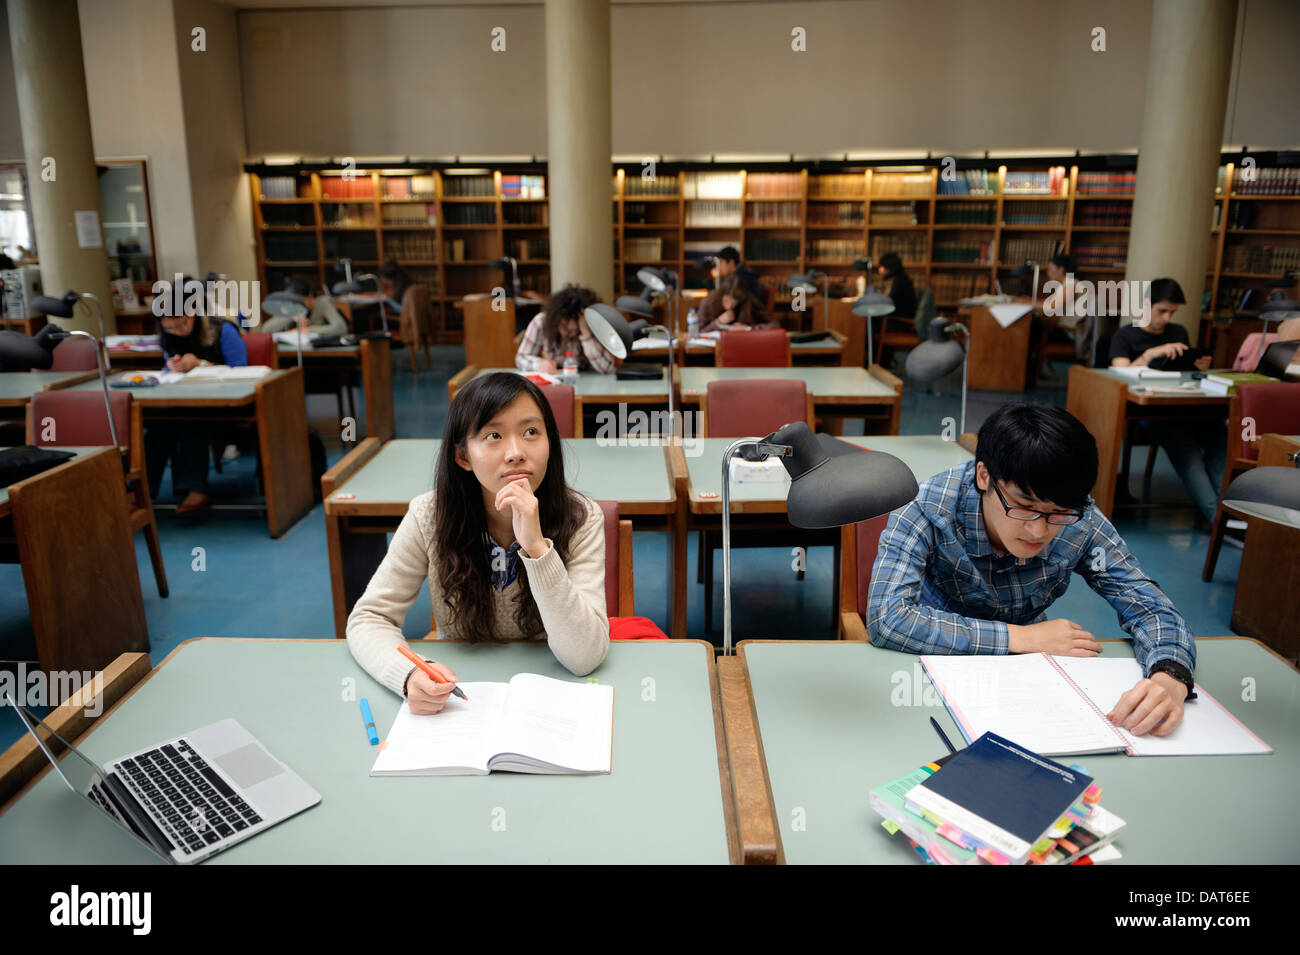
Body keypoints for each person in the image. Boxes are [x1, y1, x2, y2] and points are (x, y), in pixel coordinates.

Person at [867, 402, 1197, 737]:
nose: (1039, 531)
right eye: (1024, 508)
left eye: (1057, 513)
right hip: (931, 668)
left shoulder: (1079, 520)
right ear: (984, 476)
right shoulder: (928, 507)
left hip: (1031, 677)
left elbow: (1150, 607)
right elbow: (888, 618)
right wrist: (1020, 636)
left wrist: (1170, 675)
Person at [346, 372, 609, 711]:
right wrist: (408, 675)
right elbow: (370, 618)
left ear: (550, 442)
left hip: (552, 696)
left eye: (531, 432)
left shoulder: (581, 517)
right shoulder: (429, 515)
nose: (515, 452)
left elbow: (584, 657)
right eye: (493, 435)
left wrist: (537, 549)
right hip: (462, 700)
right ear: (463, 457)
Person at [1110, 277, 1225, 524]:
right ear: (1146, 304)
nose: (1167, 319)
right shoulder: (1125, 335)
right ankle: (1219, 520)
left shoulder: (1178, 332)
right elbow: (1119, 372)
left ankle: (1231, 514)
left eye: (1172, 312)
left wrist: (1199, 367)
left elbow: (1187, 373)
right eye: (1162, 311)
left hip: (1185, 406)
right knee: (1189, 453)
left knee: (1219, 440)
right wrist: (1150, 354)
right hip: (1151, 413)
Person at [145, 292, 249, 513]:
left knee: (192, 422)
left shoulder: (222, 329)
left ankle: (195, 490)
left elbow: (241, 369)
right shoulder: (169, 335)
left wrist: (201, 364)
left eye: (180, 325)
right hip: (183, 399)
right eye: (169, 328)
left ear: (191, 313)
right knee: (156, 425)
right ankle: (141, 492)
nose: (176, 332)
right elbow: (167, 365)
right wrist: (172, 366)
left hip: (225, 404)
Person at [514, 284, 614, 374]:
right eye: (565, 328)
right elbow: (521, 358)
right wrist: (539, 364)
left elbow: (606, 368)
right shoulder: (541, 322)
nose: (569, 334)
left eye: (576, 330)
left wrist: (586, 334)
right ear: (556, 318)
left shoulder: (590, 327)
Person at [1039, 253, 1093, 362]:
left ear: (1060, 269)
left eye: (1050, 269)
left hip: (1071, 331)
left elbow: (1052, 307)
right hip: (1067, 328)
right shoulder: (1065, 285)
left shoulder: (1072, 285)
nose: (1048, 273)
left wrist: (1025, 302)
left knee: (1034, 328)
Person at [260, 277, 348, 337]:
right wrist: (291, 317)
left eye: (300, 301)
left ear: (310, 296)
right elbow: (266, 330)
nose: (296, 304)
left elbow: (341, 327)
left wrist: (307, 330)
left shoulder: (321, 304)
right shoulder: (289, 307)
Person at [696, 274, 780, 333]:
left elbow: (775, 325)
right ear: (721, 295)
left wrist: (748, 329)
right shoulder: (709, 301)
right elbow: (697, 331)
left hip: (742, 347)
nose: (729, 307)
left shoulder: (748, 302)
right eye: (726, 301)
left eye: (734, 304)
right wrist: (718, 322)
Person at [875, 253, 916, 320]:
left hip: (899, 320)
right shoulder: (899, 279)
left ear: (890, 268)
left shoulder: (900, 282)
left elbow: (890, 303)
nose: (880, 270)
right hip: (896, 317)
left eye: (882, 267)